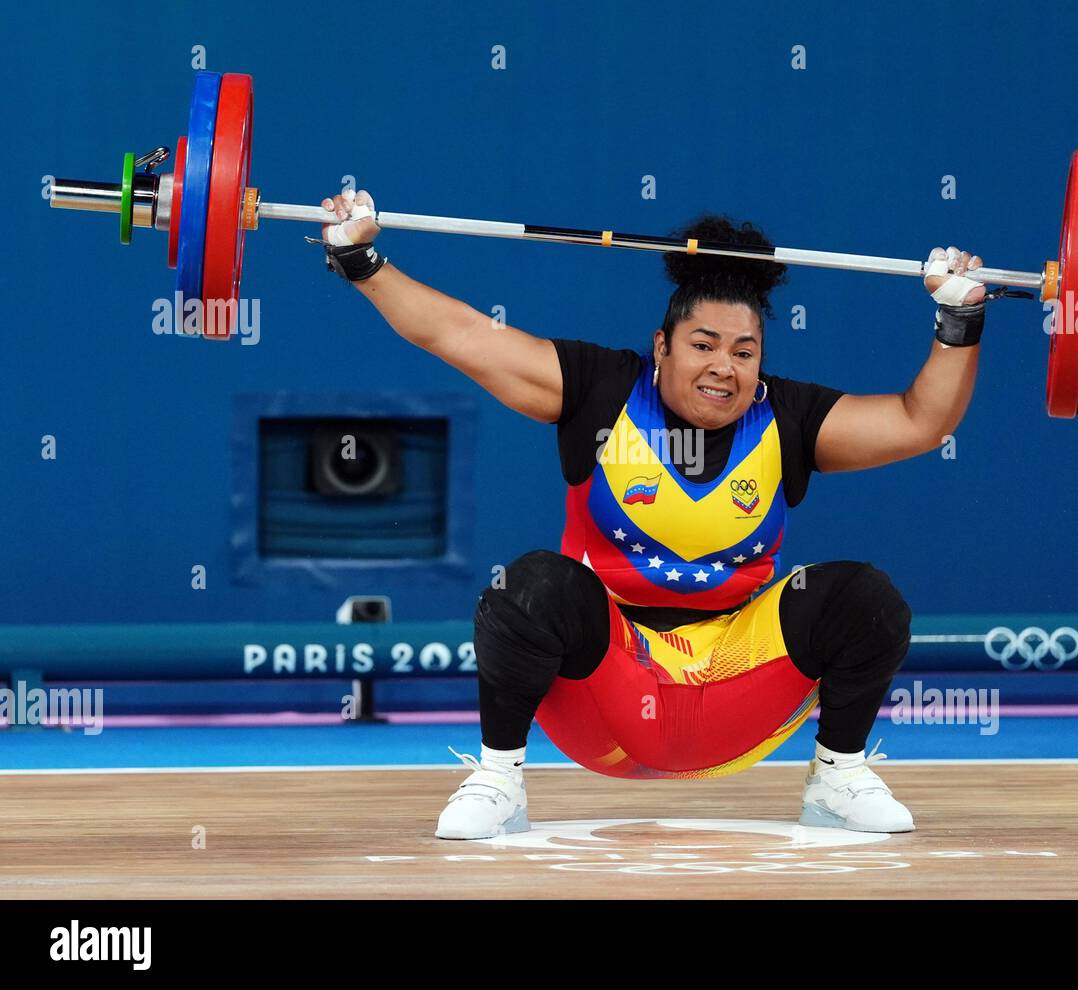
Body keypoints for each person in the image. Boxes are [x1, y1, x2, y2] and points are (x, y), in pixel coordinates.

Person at [315, 189, 986, 840]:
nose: (724, 367)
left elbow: (919, 421)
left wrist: (958, 323)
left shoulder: (786, 416)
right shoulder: (599, 389)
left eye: (744, 352)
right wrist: (361, 262)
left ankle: (838, 779)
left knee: (864, 598)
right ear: (660, 345)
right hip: (604, 698)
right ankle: (498, 780)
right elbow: (457, 333)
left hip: (737, 689)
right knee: (531, 586)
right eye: (703, 344)